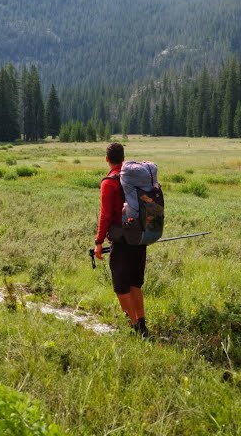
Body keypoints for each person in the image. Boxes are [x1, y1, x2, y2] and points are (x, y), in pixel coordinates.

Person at [94, 142, 149, 337]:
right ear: (123, 158)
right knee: (135, 283)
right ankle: (142, 325)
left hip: (122, 240)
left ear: (107, 159)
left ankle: (134, 326)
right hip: (140, 237)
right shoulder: (133, 180)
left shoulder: (109, 183)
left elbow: (106, 215)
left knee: (120, 286)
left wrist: (99, 241)